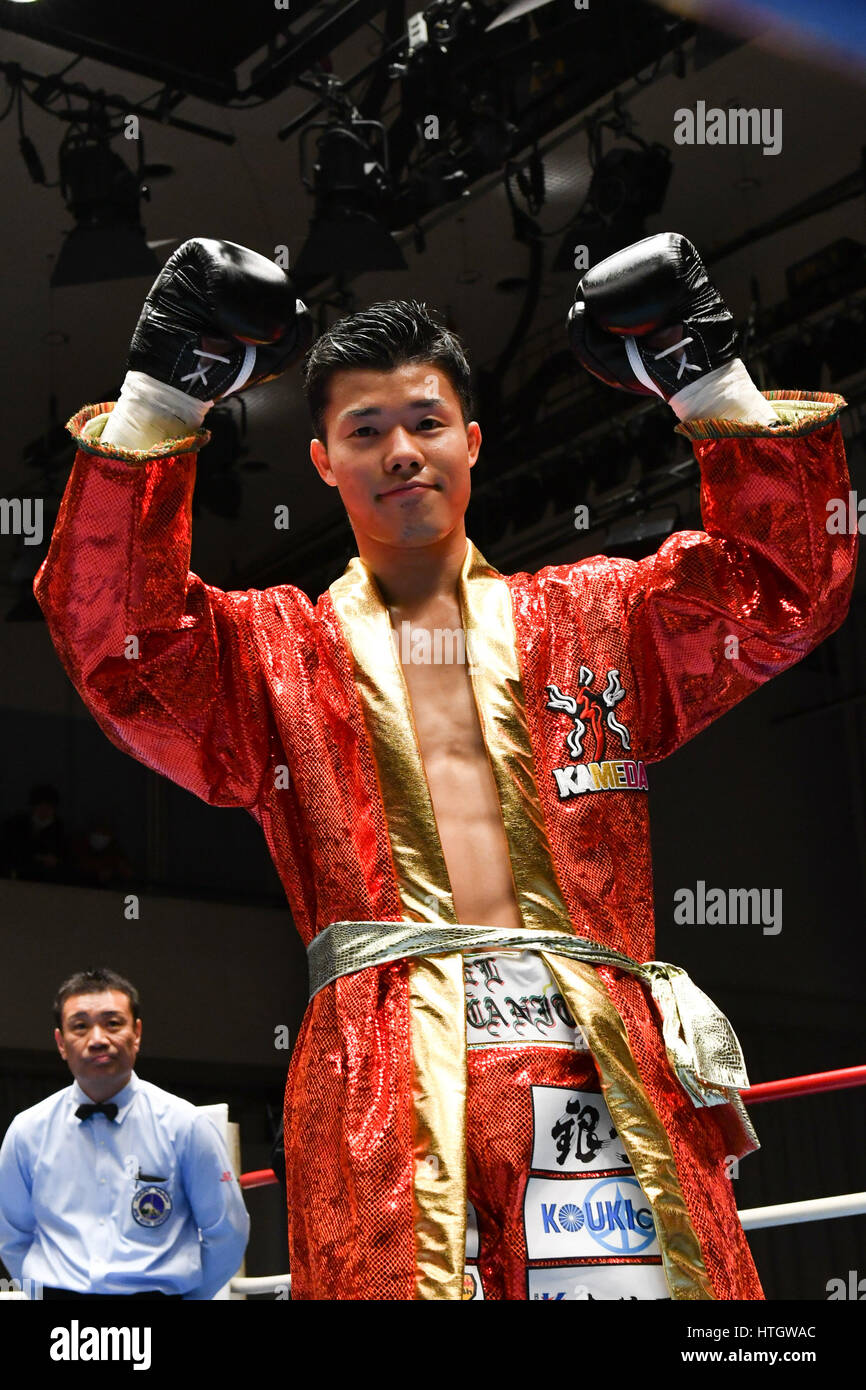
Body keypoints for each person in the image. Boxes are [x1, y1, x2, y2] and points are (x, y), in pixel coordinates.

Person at [32, 235, 856, 1300]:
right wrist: (159, 401)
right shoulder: (274, 653)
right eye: (364, 430)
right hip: (380, 1072)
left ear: (470, 441)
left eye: (423, 423)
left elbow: (784, 586)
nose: (401, 451)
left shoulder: (597, 617)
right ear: (322, 461)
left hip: (592, 1051)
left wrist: (706, 372)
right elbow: (114, 641)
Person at [0, 967, 249, 1299]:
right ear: (61, 1042)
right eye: (80, 1026)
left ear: (137, 1033)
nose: (98, 1038)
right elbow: (11, 1236)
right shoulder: (27, 1131)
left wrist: (189, 1298)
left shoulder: (185, 1125)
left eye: (113, 1023)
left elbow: (227, 1231)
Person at [0, 783, 68, 883]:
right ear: (34, 806)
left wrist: (54, 860)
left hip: (46, 875)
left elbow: (63, 854)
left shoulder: (59, 828)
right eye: (40, 805)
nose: (44, 810)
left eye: (48, 806)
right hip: (18, 868)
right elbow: (10, 848)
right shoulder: (18, 822)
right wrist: (36, 857)